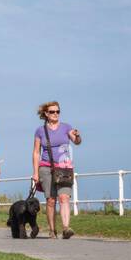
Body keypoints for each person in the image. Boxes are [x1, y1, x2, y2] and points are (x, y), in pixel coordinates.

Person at [33, 101, 82, 239]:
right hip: (46, 167)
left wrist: (77, 136)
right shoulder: (40, 131)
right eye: (52, 112)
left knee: (64, 197)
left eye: (57, 111)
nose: (55, 114)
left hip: (64, 167)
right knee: (51, 200)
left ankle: (66, 228)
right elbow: (36, 152)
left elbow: (76, 141)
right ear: (46, 114)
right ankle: (52, 230)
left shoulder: (66, 127)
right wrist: (35, 172)